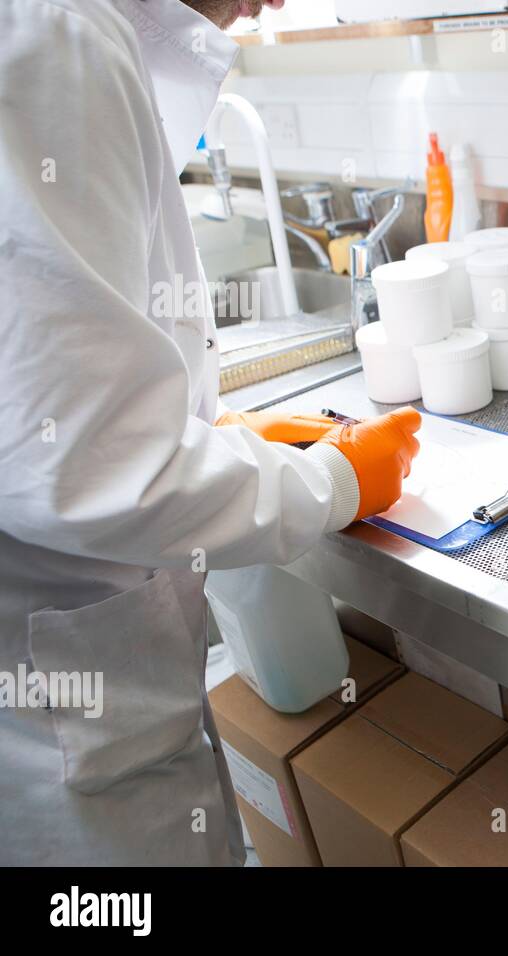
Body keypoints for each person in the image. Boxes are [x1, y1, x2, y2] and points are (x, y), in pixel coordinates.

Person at [0, 0, 421, 864]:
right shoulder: (57, 28)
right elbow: (87, 467)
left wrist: (220, 432)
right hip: (65, 759)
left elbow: (58, 389)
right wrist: (333, 482)